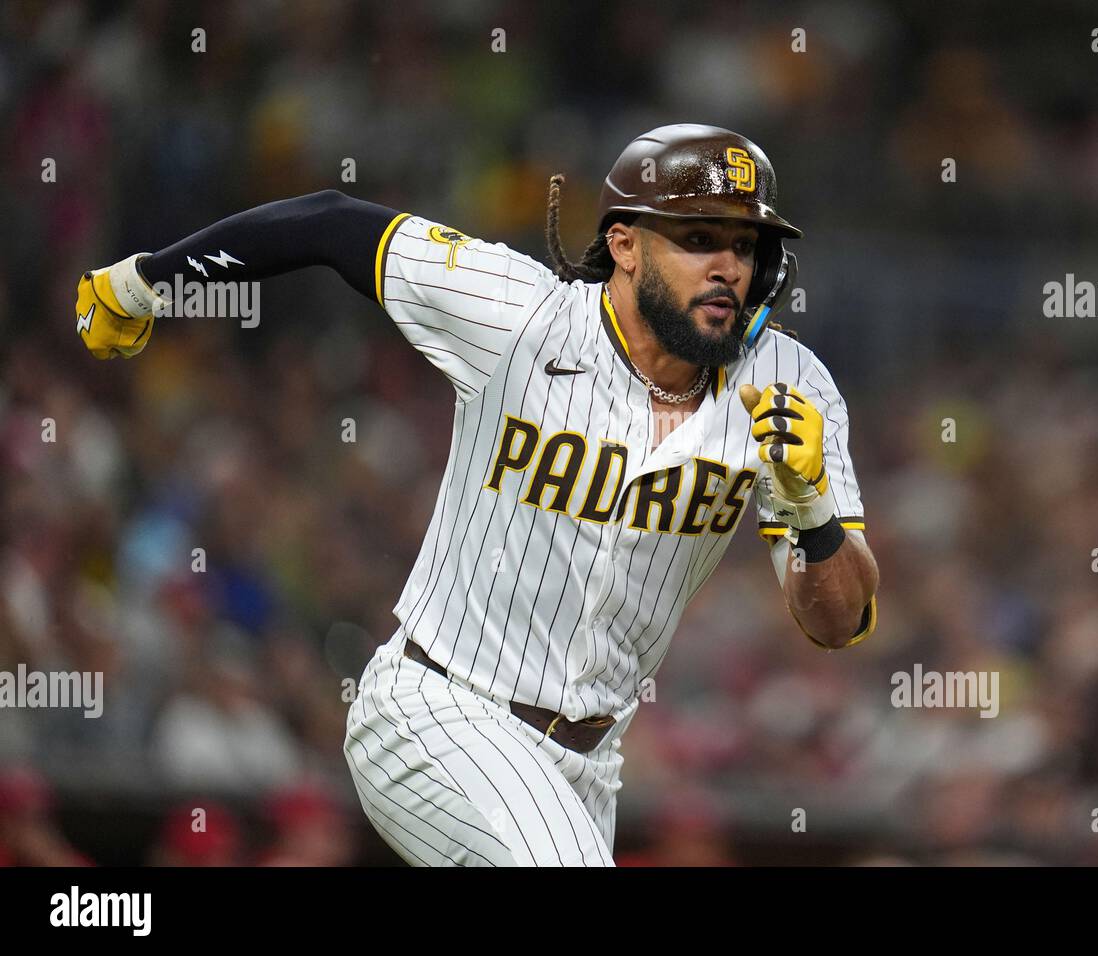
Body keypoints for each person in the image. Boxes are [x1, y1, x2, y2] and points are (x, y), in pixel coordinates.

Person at [74, 123, 880, 866]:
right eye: (700, 238)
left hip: (587, 769)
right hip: (436, 709)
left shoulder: (790, 386)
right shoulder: (518, 313)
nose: (729, 267)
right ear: (626, 245)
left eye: (746, 244)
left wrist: (807, 507)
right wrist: (145, 282)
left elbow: (840, 622)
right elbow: (327, 222)